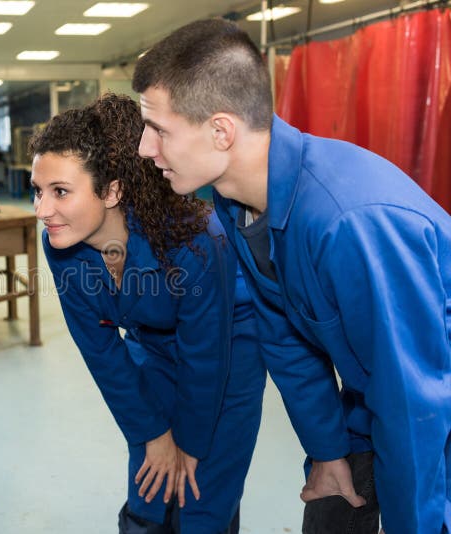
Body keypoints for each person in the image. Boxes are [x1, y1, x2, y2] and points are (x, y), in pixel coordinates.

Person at [132, 18, 451, 534]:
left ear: (220, 131)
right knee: (331, 510)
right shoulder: (236, 202)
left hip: (428, 409)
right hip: (379, 402)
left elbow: (415, 400)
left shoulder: (348, 223)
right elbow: (283, 337)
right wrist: (328, 452)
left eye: (159, 129)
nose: (146, 148)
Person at [30, 92, 266, 533]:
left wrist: (191, 445)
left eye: (60, 191)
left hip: (228, 349)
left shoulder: (196, 242)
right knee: (150, 485)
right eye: (37, 191)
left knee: (201, 491)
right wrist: (154, 435)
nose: (43, 211)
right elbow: (101, 352)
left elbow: (206, 357)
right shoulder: (61, 247)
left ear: (113, 190)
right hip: (152, 343)